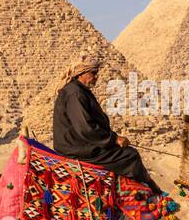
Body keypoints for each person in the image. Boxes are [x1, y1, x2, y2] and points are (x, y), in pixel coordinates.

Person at [53, 55, 159, 191]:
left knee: (122, 152)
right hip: (76, 148)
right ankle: (148, 190)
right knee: (130, 155)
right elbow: (86, 128)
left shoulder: (78, 90)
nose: (96, 77)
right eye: (93, 73)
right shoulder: (76, 93)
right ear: (81, 73)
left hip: (80, 143)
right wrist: (114, 139)